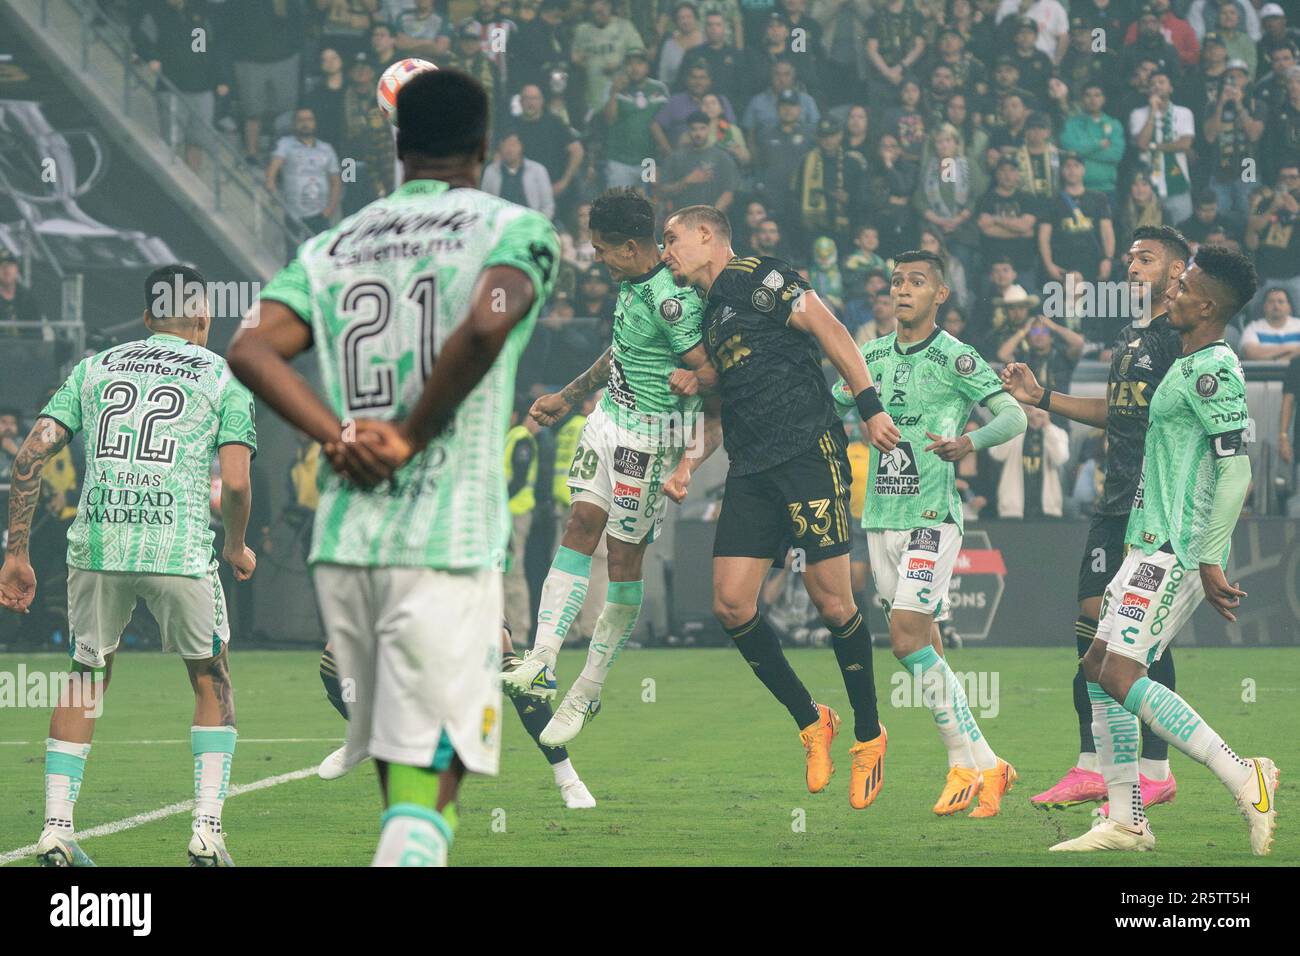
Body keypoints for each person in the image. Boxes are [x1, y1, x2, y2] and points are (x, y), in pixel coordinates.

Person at [227, 70, 561, 867]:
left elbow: (248, 349)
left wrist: (339, 434)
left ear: (398, 144)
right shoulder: (516, 229)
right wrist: (409, 434)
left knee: (409, 772)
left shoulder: (332, 243)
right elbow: (488, 324)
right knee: (432, 778)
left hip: (348, 542)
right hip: (445, 540)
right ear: (483, 148)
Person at [0, 264, 258, 867]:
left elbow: (29, 455)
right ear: (203, 317)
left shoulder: (94, 368)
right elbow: (239, 484)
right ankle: (206, 831)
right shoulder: (225, 377)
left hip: (97, 546)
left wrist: (16, 552)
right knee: (211, 677)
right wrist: (235, 545)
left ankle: (57, 830)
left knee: (86, 674)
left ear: (146, 319)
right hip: (179, 548)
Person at [660, 205, 898, 810]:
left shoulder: (757, 272)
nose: (666, 251)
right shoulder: (710, 314)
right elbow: (720, 411)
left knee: (832, 599)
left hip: (807, 450)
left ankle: (869, 734)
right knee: (730, 604)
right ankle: (811, 719)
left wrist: (869, 406)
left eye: (672, 238)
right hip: (751, 468)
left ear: (706, 235)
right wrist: (690, 461)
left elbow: (830, 329)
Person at [1043, 247, 1277, 855]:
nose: (1173, 291)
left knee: (1121, 670)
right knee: (1098, 665)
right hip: (1150, 543)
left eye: (1186, 286)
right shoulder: (1186, 359)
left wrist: (1211, 554)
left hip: (1180, 547)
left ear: (1207, 305)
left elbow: (1236, 470)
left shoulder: (1214, 369)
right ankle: (1126, 818)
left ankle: (1242, 774)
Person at [503, 189, 715, 744]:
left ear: (628, 246)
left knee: (622, 561)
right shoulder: (630, 284)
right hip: (608, 420)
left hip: (651, 439)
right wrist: (569, 396)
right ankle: (543, 657)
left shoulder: (674, 301)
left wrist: (696, 384)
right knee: (579, 527)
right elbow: (622, 352)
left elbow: (717, 372)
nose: (596, 260)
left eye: (601, 250)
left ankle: (587, 690)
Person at [831, 249, 1028, 815]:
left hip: (930, 518)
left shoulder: (955, 357)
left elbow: (1011, 415)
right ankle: (991, 765)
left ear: (940, 294)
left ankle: (961, 764)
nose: (902, 290)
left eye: (916, 282)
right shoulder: (866, 357)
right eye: (896, 282)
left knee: (904, 640)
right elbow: (833, 405)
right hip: (880, 519)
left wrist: (970, 442)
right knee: (926, 643)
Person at [1003, 225, 1190, 812]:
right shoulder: (1130, 337)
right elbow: (1117, 412)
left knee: (1135, 634)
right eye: (1131, 256)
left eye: (1147, 258)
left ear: (1178, 272)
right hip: (1114, 501)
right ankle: (1097, 765)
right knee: (1096, 628)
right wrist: (1043, 398)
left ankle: (1152, 769)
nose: (1133, 265)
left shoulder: (1183, 341)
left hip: (1154, 504)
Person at [265, 107, 343, 232]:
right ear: (294, 124)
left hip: (320, 216)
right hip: (294, 216)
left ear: (315, 123)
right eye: (300, 120)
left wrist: (328, 211)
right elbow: (272, 170)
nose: (305, 123)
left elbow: (336, 183)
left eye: (309, 119)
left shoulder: (327, 149)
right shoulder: (285, 144)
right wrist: (271, 187)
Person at [988, 404, 1071, 517]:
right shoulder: (1014, 430)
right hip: (1014, 508)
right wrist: (1015, 421)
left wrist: (1047, 425)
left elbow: (1060, 458)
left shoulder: (1058, 433)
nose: (1034, 411)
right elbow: (997, 454)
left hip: (1047, 508)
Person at [481, 132, 555, 219]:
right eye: (505, 145)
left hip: (531, 222)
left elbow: (548, 206)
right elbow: (483, 204)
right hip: (500, 224)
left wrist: (538, 225)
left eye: (513, 145)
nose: (509, 150)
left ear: (521, 146)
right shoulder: (491, 171)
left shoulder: (538, 170)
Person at [1239, 287, 1300, 359]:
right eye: (1271, 301)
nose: (1276, 305)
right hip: (1264, 370)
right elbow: (1251, 353)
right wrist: (1293, 350)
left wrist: (1269, 353)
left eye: (1280, 301)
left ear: (1289, 307)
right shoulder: (1253, 328)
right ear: (1264, 306)